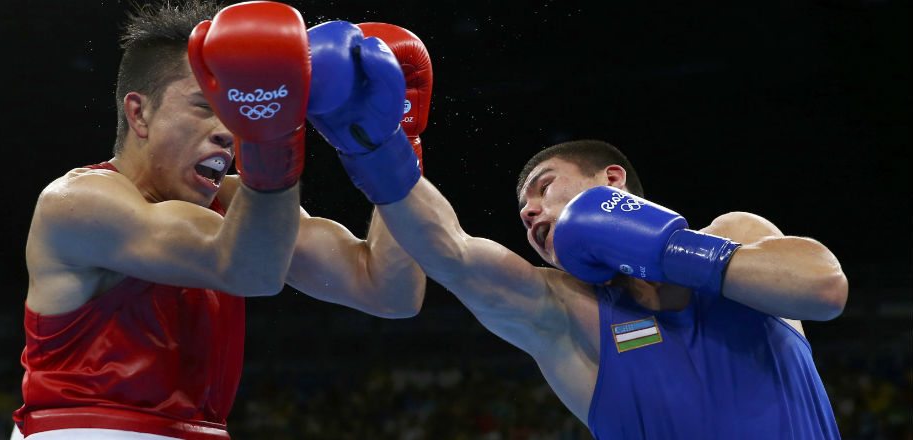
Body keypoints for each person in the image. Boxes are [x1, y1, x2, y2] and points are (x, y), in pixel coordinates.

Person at [306, 21, 850, 438]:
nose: (529, 213)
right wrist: (376, 147)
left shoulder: (737, 230)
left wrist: (665, 249)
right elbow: (450, 251)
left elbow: (824, 289)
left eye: (544, 187)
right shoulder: (565, 314)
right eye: (523, 212)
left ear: (611, 181)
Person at [11, 2, 425, 439]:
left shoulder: (241, 205)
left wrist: (391, 148)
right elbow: (248, 270)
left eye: (236, 109)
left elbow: (390, 291)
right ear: (139, 113)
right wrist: (271, 139)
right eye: (205, 105)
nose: (229, 130)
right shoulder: (78, 202)